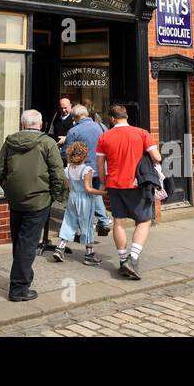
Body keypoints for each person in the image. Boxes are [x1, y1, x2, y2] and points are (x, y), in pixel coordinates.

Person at [0, 109, 66, 302]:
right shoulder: (48, 143)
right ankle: (18, 288)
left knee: (19, 240)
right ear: (40, 124)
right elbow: (58, 174)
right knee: (27, 243)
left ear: (23, 124)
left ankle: (23, 276)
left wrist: (9, 189)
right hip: (38, 200)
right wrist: (55, 196)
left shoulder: (10, 142)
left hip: (16, 200)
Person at [96, 103, 161, 280]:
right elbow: (157, 157)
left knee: (118, 222)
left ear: (111, 119)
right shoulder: (141, 133)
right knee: (144, 220)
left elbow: (100, 165)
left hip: (114, 184)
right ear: (126, 116)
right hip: (136, 184)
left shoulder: (104, 136)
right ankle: (132, 258)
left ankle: (123, 259)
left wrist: (103, 183)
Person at [64, 103, 112, 237]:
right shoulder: (101, 127)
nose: (73, 120)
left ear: (77, 117)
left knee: (82, 196)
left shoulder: (74, 131)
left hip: (82, 169)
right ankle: (102, 221)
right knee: (94, 194)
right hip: (100, 167)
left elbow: (67, 152)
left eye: (73, 118)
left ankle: (87, 225)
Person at [53, 140, 105, 265]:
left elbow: (68, 185)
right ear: (85, 155)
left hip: (72, 198)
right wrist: (104, 193)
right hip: (85, 200)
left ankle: (60, 247)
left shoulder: (69, 168)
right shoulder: (87, 170)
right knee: (86, 225)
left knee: (69, 222)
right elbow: (88, 189)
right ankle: (89, 254)